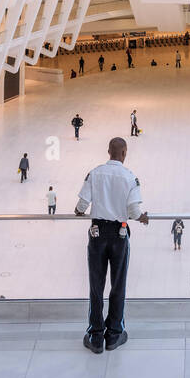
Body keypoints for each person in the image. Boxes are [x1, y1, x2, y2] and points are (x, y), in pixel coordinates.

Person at [75, 137, 149, 352]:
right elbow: (134, 211)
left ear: (108, 151)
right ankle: (115, 334)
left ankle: (96, 336)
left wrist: (79, 211)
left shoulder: (95, 173)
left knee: (96, 286)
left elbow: (82, 204)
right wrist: (143, 217)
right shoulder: (129, 177)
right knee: (118, 285)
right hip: (119, 233)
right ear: (124, 153)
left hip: (97, 233)